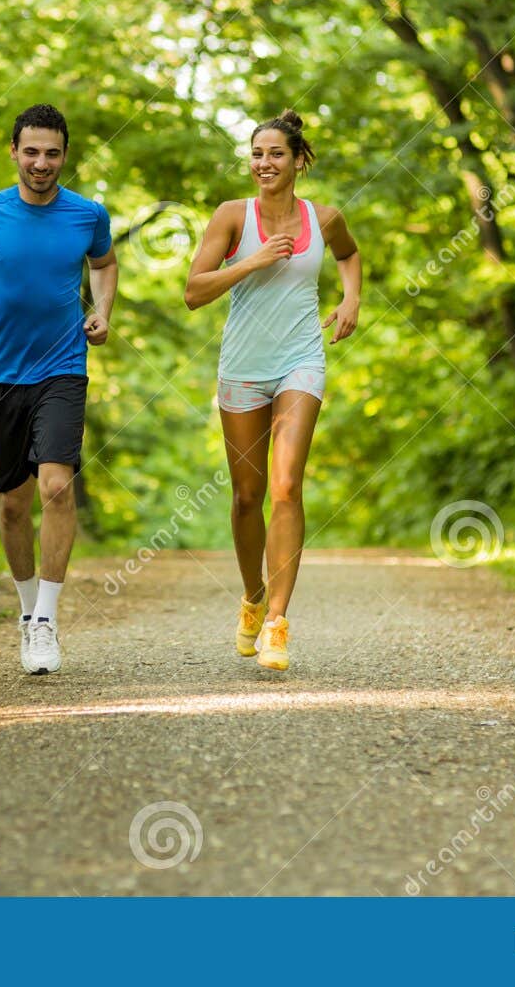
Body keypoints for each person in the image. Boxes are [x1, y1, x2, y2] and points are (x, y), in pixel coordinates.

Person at [0, 104, 118, 675]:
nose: (41, 163)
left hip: (63, 368)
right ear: (13, 151)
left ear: (65, 155)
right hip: (1, 374)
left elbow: (104, 265)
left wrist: (102, 309)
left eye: (52, 153)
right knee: (13, 506)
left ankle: (47, 622)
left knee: (57, 488)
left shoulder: (87, 215)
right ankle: (26, 609)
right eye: (30, 151)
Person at [183, 109, 362, 671]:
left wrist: (351, 297)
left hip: (300, 361)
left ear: (298, 159)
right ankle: (253, 597)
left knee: (286, 486)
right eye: (257, 154)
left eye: (276, 154)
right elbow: (193, 292)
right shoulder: (232, 217)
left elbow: (349, 254)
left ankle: (279, 623)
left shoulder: (324, 217)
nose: (265, 163)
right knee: (246, 495)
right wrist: (252, 261)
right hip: (243, 365)